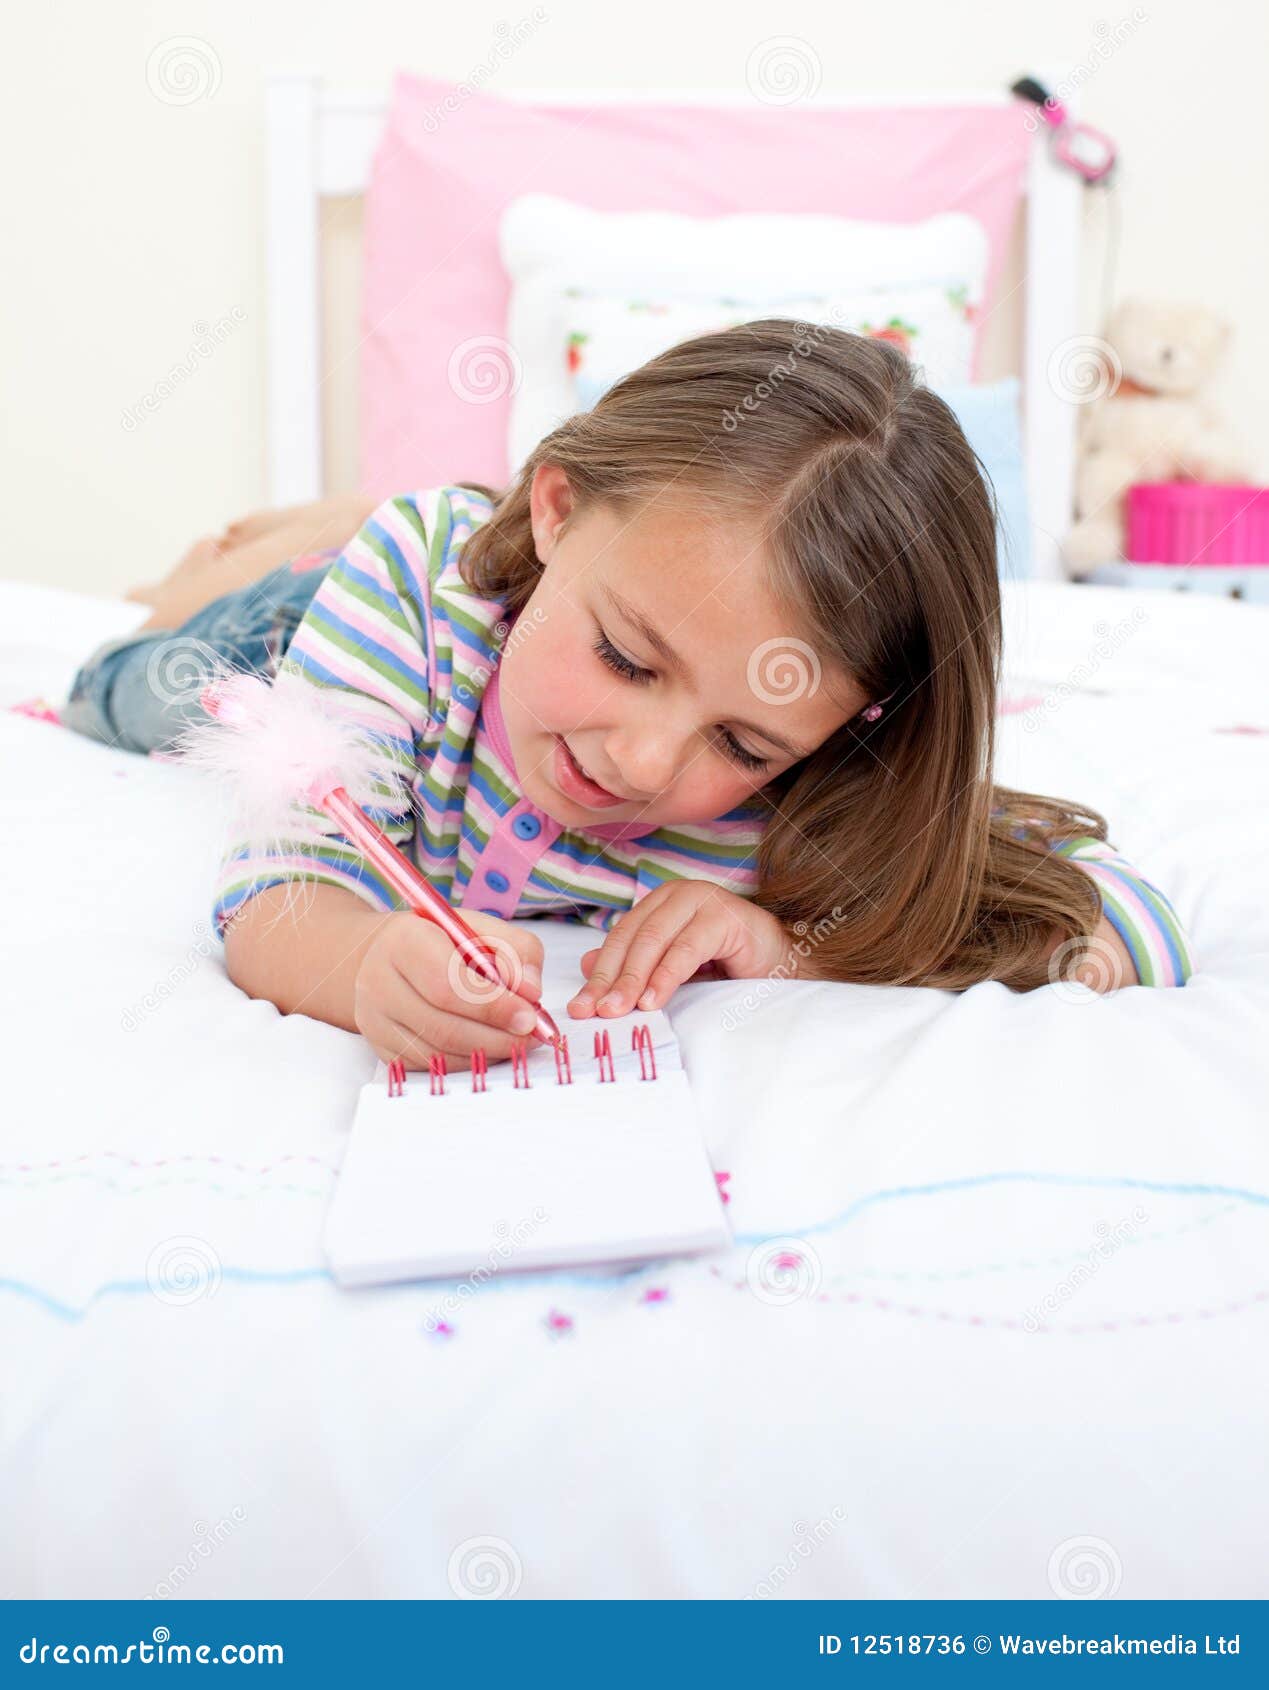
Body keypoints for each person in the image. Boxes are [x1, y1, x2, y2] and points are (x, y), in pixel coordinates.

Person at [63, 322, 1192, 1069]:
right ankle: (295, 545)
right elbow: (279, 889)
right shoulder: (415, 591)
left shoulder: (830, 793)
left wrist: (786, 945)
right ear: (557, 510)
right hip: (326, 626)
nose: (644, 764)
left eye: (743, 743)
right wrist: (361, 967)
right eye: (626, 658)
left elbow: (1122, 921)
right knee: (126, 691)